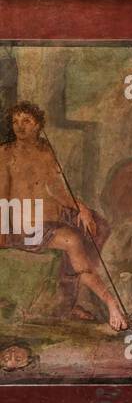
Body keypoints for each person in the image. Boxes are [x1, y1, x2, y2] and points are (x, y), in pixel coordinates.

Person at [0, 101, 125, 330]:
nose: (20, 126)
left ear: (38, 125)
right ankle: (109, 302)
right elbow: (2, 195)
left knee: (99, 226)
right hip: (25, 224)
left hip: (50, 215)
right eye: (16, 121)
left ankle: (73, 298)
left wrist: (82, 209)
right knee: (74, 240)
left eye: (26, 121)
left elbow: (55, 189)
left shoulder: (45, 149)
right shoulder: (5, 153)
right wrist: (3, 234)